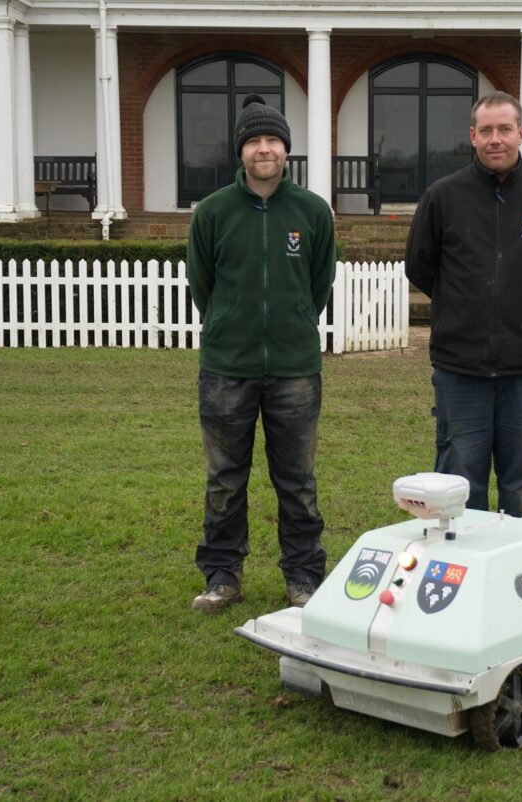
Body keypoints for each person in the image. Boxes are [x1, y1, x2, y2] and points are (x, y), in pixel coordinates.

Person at [404, 91, 522, 518]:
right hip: (460, 372)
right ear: (472, 136)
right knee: (458, 490)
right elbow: (420, 267)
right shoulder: (443, 197)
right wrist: (463, 305)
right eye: (485, 130)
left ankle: (511, 578)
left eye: (505, 129)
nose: (496, 139)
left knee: (520, 487)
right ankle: (462, 580)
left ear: (521, 133)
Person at [186, 94, 336, 612]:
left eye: (272, 140)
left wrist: (291, 321)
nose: (263, 149)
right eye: (254, 141)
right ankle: (223, 575)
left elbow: (319, 285)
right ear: (241, 151)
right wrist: (232, 324)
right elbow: (203, 286)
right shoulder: (212, 212)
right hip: (227, 368)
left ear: (286, 149)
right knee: (225, 480)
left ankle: (303, 578)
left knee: (297, 481)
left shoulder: (313, 212)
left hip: (295, 370)